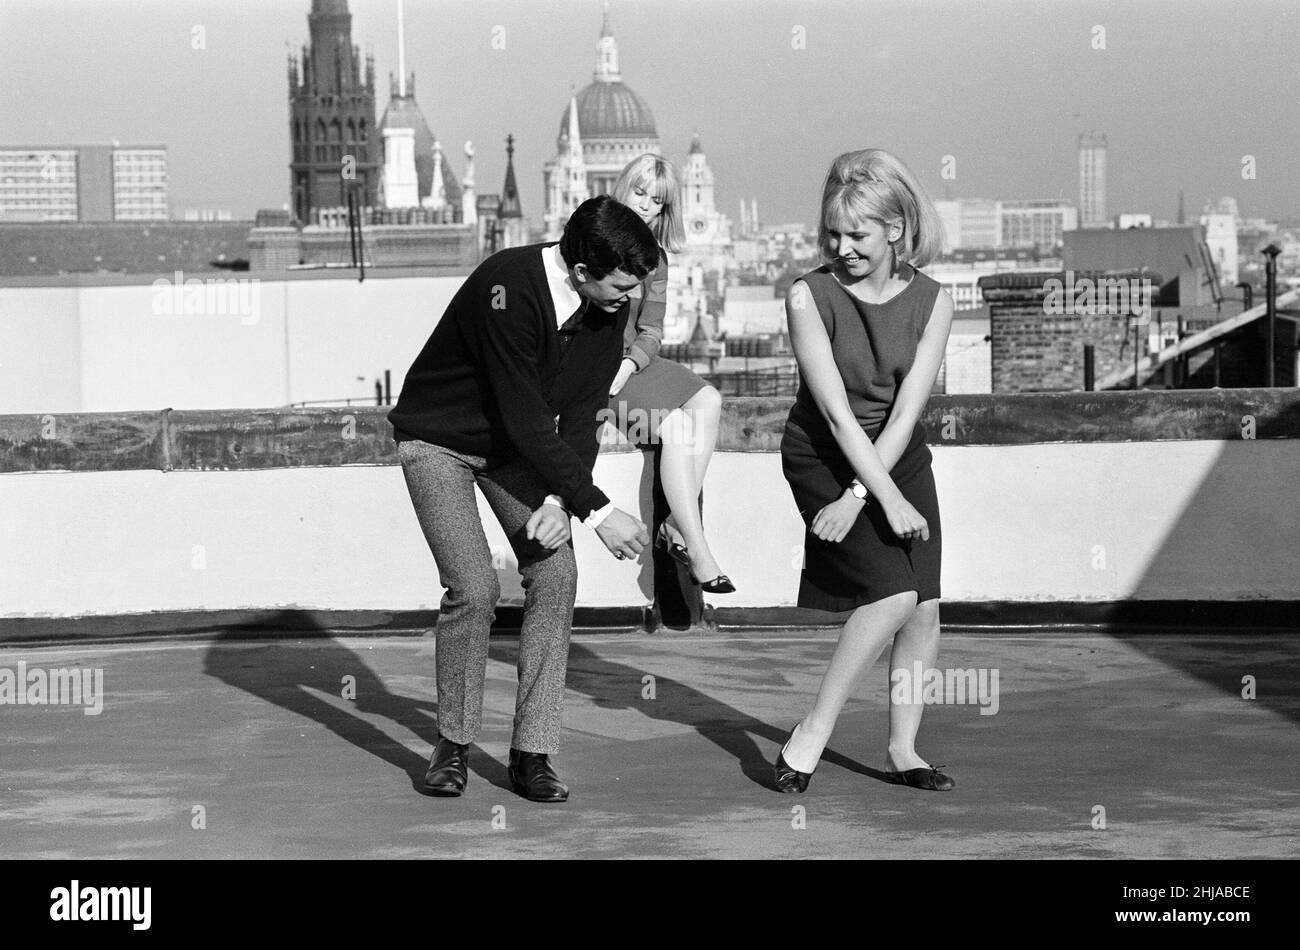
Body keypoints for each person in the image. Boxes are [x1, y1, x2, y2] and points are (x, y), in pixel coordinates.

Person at [387, 195, 657, 803]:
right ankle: (453, 745)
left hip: (514, 449)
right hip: (439, 441)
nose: (629, 297)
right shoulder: (506, 285)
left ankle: (532, 752)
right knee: (475, 588)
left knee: (556, 572)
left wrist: (561, 505)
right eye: (621, 284)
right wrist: (598, 510)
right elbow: (526, 412)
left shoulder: (607, 304)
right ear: (581, 272)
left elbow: (583, 415)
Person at [775, 149, 956, 793]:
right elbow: (835, 413)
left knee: (924, 606)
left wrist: (871, 493)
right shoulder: (808, 296)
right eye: (833, 233)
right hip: (824, 453)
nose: (842, 247)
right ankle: (813, 731)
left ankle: (904, 748)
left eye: (857, 234)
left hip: (898, 455)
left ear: (895, 231)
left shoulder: (934, 301)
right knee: (891, 591)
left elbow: (907, 410)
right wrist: (856, 493)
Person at [606, 154, 732, 593]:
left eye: (656, 201)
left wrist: (632, 362)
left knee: (709, 400)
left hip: (634, 362)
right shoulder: (592, 240)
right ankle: (697, 548)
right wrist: (614, 368)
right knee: (678, 426)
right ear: (622, 188)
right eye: (639, 193)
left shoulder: (656, 258)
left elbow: (652, 329)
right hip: (598, 371)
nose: (644, 206)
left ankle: (676, 526)